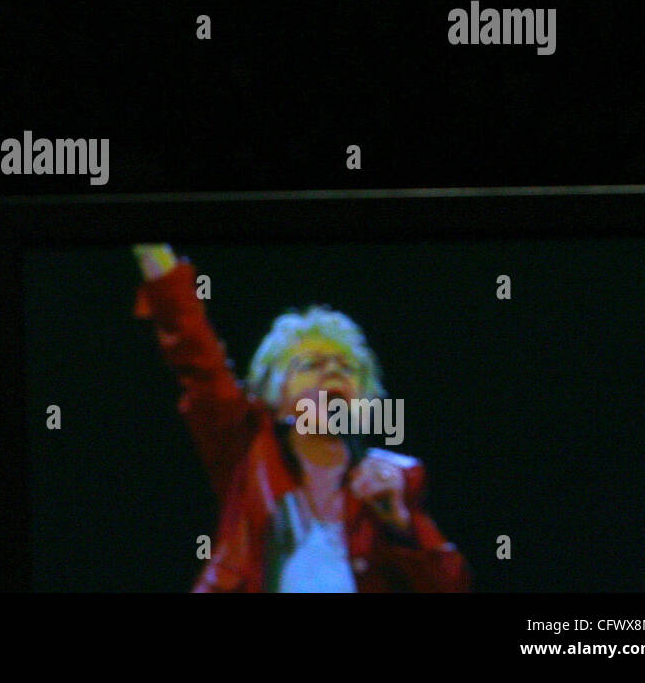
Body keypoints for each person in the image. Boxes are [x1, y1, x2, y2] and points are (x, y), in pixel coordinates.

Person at [132, 243, 470, 591]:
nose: (334, 372)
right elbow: (197, 355)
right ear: (275, 396)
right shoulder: (247, 451)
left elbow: (452, 586)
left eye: (347, 367)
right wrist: (155, 257)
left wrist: (400, 522)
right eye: (311, 365)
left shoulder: (395, 478)